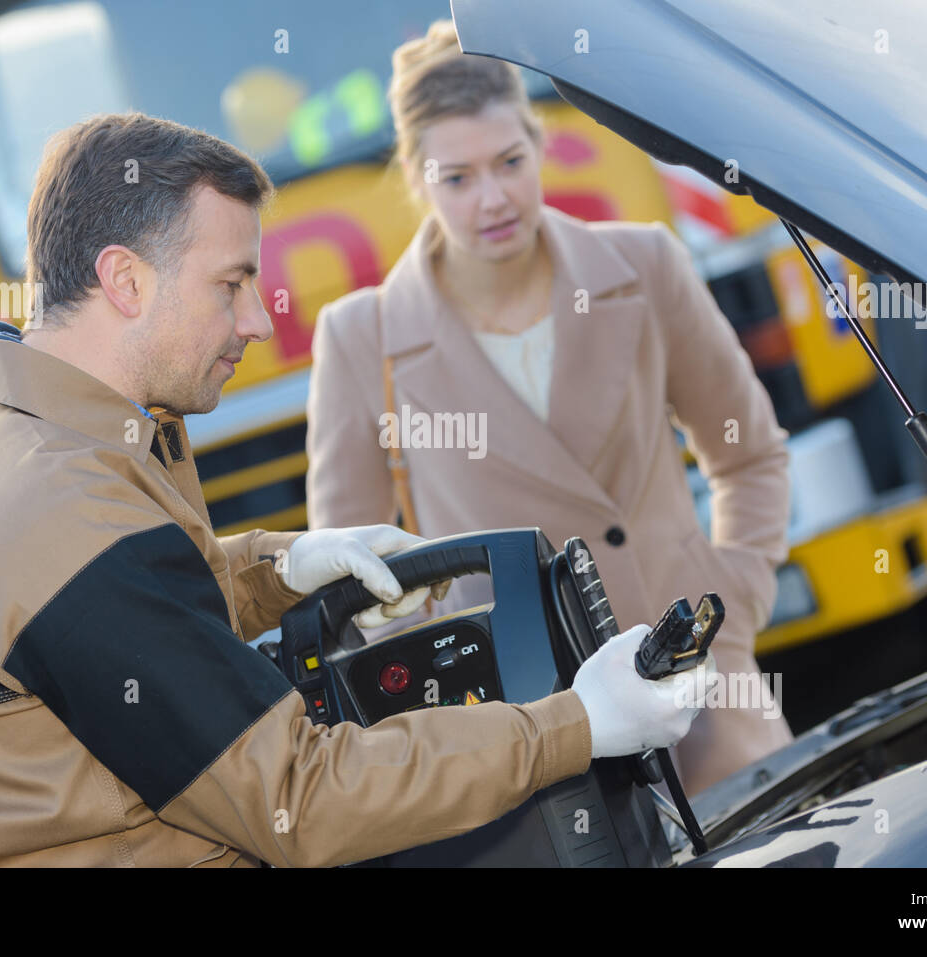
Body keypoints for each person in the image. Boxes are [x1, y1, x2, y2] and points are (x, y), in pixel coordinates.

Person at [0, 112, 710, 868]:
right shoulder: (58, 511)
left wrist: (285, 569)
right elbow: (300, 800)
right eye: (231, 284)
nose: (259, 319)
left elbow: (102, 631)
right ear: (124, 279)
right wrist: (576, 727)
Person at [306, 20, 794, 797]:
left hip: (700, 699)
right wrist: (454, 712)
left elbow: (750, 454)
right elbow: (354, 587)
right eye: (457, 178)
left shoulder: (644, 264)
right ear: (415, 176)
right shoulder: (362, 338)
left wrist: (728, 611)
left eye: (510, 161)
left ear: (541, 144)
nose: (493, 198)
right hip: (534, 747)